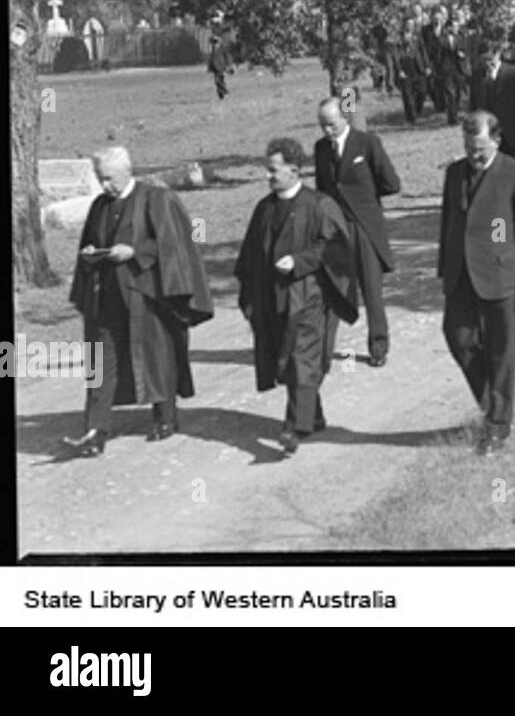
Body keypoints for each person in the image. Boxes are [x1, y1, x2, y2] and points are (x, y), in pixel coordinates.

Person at [62, 146, 212, 457]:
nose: (105, 185)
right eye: (101, 179)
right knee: (100, 363)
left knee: (157, 355)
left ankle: (166, 417)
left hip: (148, 295)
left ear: (127, 171)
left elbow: (175, 245)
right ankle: (95, 431)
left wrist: (135, 252)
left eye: (109, 178)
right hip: (105, 297)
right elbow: (91, 242)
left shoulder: (156, 199)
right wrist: (92, 255)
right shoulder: (100, 206)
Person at [236, 138, 358, 455]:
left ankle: (294, 427)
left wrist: (300, 261)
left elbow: (336, 247)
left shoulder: (320, 205)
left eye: (273, 170)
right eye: (267, 170)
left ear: (294, 170)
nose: (268, 176)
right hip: (273, 299)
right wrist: (249, 299)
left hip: (308, 297)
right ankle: (313, 416)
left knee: (301, 357)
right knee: (285, 355)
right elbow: (249, 256)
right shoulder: (264, 208)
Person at [437, 111, 515, 456]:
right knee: (457, 336)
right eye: (469, 147)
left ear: (497, 141)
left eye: (481, 147)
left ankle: (498, 426)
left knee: (502, 352)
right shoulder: (454, 173)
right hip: (461, 274)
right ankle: (490, 399)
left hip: (502, 275)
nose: (474, 155)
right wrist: (444, 269)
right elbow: (448, 222)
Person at [314, 97, 402, 369]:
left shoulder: (367, 143)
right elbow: (322, 190)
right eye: (322, 126)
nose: (326, 131)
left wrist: (366, 202)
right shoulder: (320, 150)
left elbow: (391, 183)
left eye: (330, 124)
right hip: (336, 230)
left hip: (364, 228)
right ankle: (322, 350)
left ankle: (378, 346)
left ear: (344, 118)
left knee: (371, 291)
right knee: (332, 291)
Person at [470, 44, 515, 161]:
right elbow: (474, 107)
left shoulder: (514, 74)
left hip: (513, 137)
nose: (487, 64)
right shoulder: (477, 76)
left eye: (490, 59)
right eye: (484, 61)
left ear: (498, 54)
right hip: (489, 137)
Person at [207, 35, 230, 100]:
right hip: (215, 68)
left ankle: (223, 91)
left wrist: (228, 65)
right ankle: (222, 92)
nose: (214, 44)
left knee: (219, 80)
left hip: (221, 67)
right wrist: (209, 67)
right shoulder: (212, 49)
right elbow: (211, 59)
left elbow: (226, 57)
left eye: (215, 42)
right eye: (213, 43)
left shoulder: (222, 48)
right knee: (218, 81)